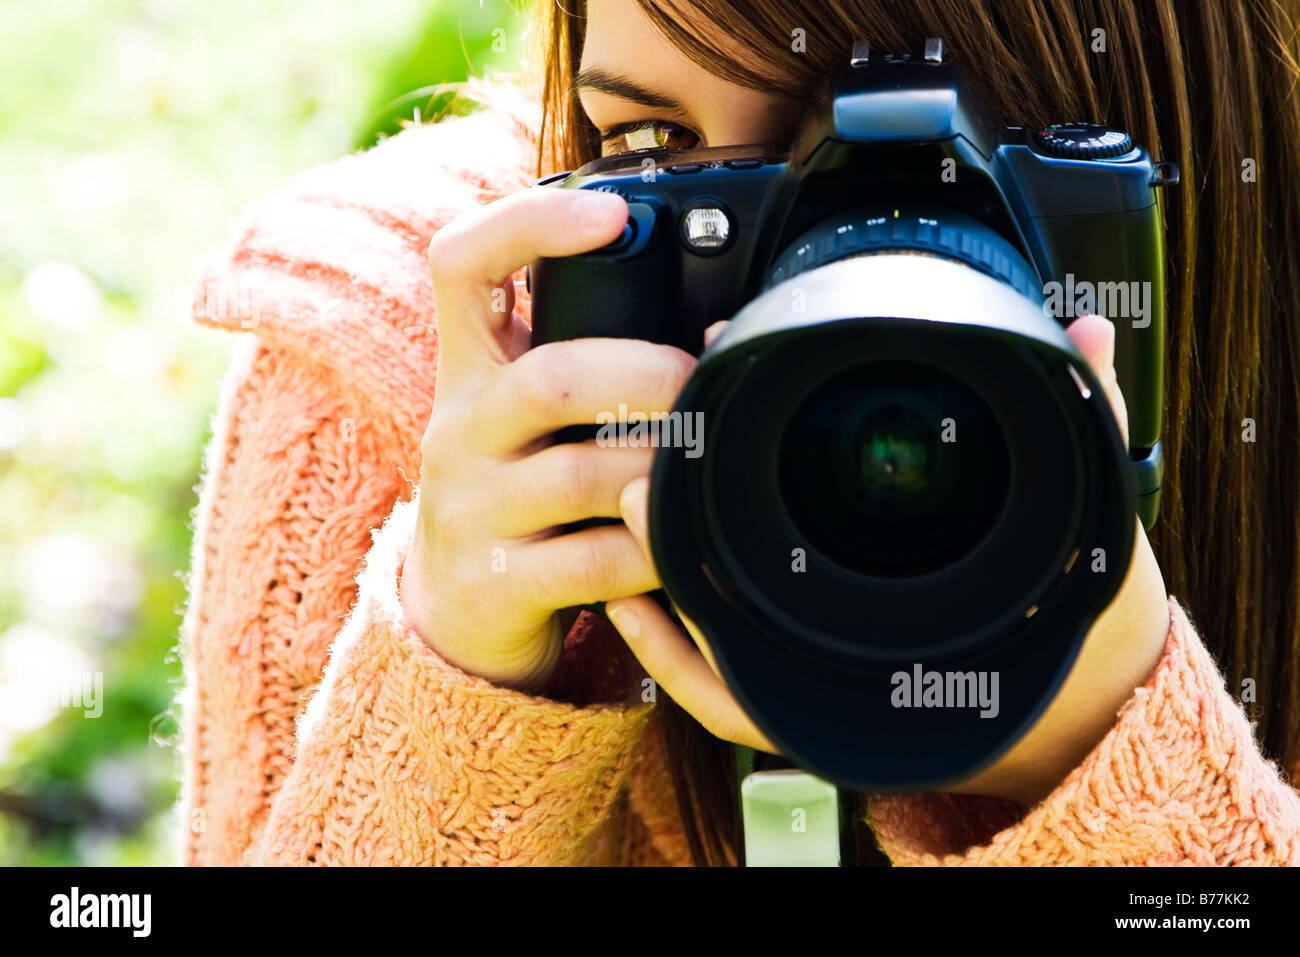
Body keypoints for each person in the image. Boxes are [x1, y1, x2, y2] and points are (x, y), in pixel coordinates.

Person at [174, 0, 1300, 866]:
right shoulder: (414, 355)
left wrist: (1101, 752)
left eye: (918, 185)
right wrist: (457, 683)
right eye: (651, 135)